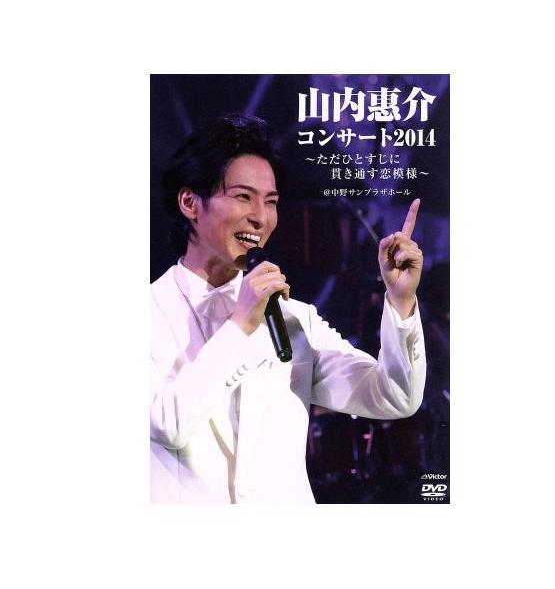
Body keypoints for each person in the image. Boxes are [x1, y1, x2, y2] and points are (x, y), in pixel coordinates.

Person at [150, 114, 426, 503]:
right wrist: (241, 325)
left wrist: (400, 300)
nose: (260, 217)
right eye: (243, 197)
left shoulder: (294, 318)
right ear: (190, 203)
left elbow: (394, 396)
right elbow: (168, 423)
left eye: (271, 202)